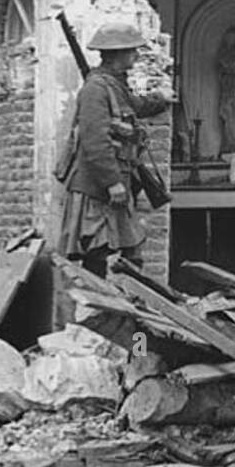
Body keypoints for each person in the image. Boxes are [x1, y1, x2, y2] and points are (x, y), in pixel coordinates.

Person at [58, 22, 170, 279]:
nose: (136, 55)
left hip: (115, 181)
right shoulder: (95, 89)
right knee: (96, 252)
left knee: (129, 250)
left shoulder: (115, 84)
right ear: (118, 54)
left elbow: (134, 105)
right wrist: (112, 183)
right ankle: (95, 311)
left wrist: (160, 97)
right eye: (132, 51)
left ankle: (119, 308)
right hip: (96, 186)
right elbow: (94, 140)